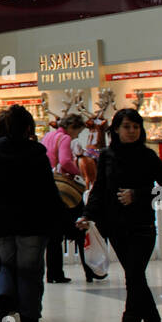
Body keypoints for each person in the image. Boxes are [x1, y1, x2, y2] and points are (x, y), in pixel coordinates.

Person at [76, 109, 162, 322]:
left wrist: (138, 195)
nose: (132, 131)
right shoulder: (108, 156)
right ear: (116, 130)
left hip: (142, 226)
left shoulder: (148, 156)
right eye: (127, 127)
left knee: (134, 277)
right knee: (135, 277)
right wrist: (87, 215)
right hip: (116, 228)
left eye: (136, 127)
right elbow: (99, 190)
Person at [0, 105, 59, 322]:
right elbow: (48, 190)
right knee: (30, 272)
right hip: (32, 221)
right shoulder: (36, 153)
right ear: (28, 128)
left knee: (8, 266)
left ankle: (3, 301)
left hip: (1, 220)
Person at [43, 115, 101, 283]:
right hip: (65, 190)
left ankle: (54, 274)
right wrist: (79, 173)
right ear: (72, 127)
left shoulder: (48, 136)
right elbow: (65, 161)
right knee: (80, 227)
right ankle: (89, 271)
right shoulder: (65, 138)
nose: (76, 136)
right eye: (78, 132)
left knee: (54, 236)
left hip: (50, 187)